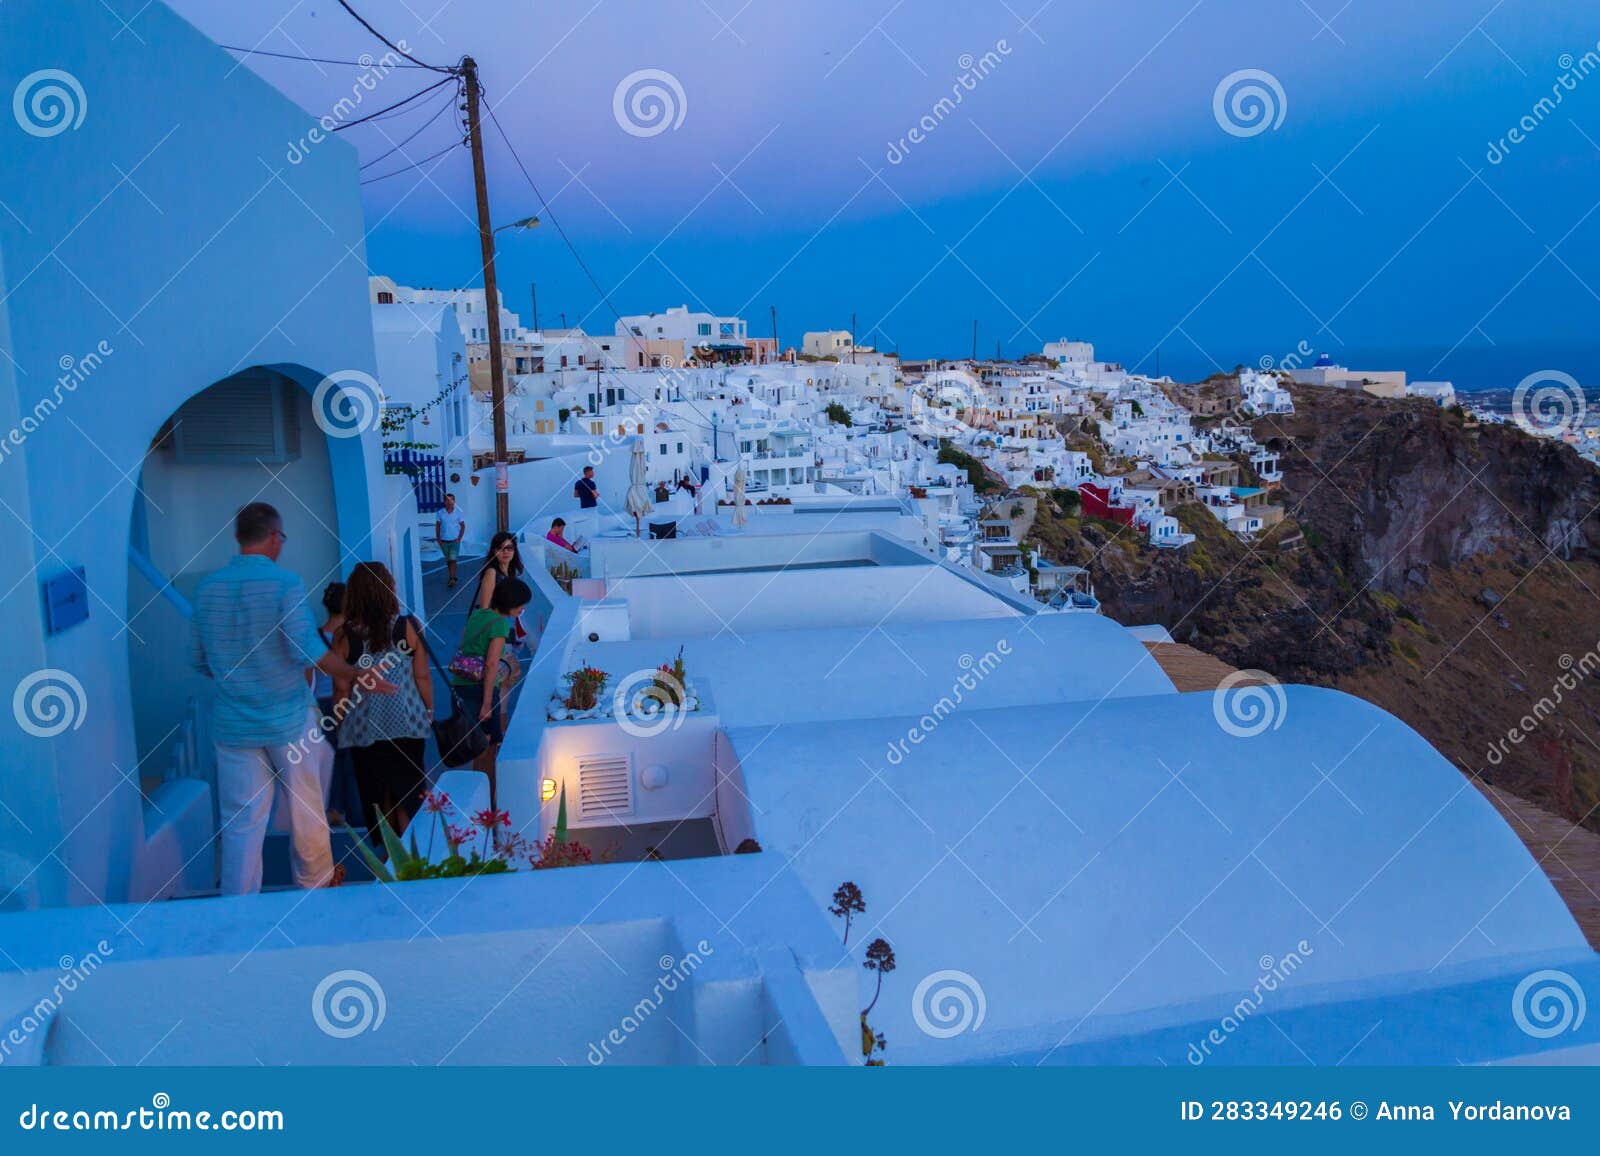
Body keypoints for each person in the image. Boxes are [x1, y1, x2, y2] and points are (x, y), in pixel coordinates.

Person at [190, 502, 396, 896]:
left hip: (234, 725)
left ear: (238, 537)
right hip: (288, 720)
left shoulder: (207, 589)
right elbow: (308, 651)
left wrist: (242, 679)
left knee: (241, 823)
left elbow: (200, 661)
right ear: (273, 537)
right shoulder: (284, 584)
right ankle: (314, 891)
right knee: (307, 811)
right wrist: (356, 675)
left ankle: (238, 909)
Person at [331, 562, 434, 845]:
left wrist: (340, 721)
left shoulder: (344, 636)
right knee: (408, 791)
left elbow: (341, 687)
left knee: (377, 795)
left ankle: (390, 859)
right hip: (408, 720)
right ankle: (412, 857)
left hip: (364, 726)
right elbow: (422, 676)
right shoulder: (408, 626)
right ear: (389, 590)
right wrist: (429, 710)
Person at [453, 576, 531, 808]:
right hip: (480, 689)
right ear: (510, 602)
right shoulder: (499, 624)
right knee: (488, 747)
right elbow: (491, 664)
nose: (522, 609)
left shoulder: (479, 614)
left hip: (461, 684)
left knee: (478, 746)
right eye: (520, 604)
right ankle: (487, 802)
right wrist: (487, 702)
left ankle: (478, 797)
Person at [311, 581, 362, 829]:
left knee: (331, 760)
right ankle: (356, 816)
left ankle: (332, 810)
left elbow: (308, 677)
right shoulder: (352, 637)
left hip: (322, 705)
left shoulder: (315, 637)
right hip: (349, 701)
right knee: (352, 761)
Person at [476, 530, 528, 647]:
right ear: (494, 551)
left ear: (514, 550)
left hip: (508, 625)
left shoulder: (510, 572)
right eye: (500, 548)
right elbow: (484, 609)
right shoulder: (492, 573)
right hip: (496, 629)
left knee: (510, 663)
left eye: (509, 548)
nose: (505, 551)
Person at [435, 493, 467, 588]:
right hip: (444, 541)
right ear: (444, 502)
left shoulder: (458, 513)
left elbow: (463, 526)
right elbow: (438, 526)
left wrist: (459, 538)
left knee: (452, 559)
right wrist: (438, 539)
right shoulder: (440, 513)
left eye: (452, 500)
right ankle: (452, 576)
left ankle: (452, 578)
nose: (450, 502)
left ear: (454, 502)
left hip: (454, 541)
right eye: (448, 500)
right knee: (449, 560)